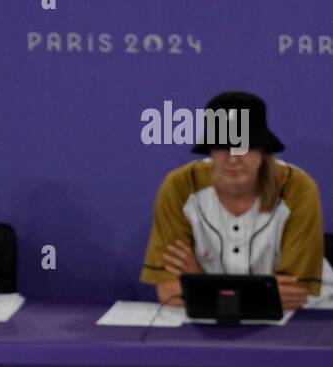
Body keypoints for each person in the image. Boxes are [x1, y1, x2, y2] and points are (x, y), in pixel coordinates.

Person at [140, 90, 331, 311]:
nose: (233, 158)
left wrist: (198, 281)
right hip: (212, 323)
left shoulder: (298, 189)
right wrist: (261, 295)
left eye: (244, 145)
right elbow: (169, 291)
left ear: (263, 148)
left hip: (308, 320)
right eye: (223, 146)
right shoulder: (180, 186)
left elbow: (293, 296)